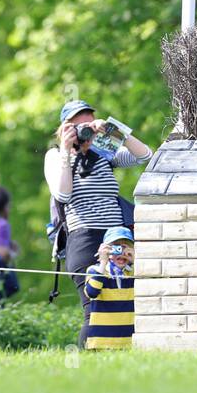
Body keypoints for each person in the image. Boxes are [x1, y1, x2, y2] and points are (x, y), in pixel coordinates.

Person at [43, 98, 151, 347]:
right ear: (65, 128)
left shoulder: (103, 150)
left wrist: (113, 131)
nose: (85, 131)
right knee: (94, 306)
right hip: (84, 239)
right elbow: (62, 195)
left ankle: (121, 361)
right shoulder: (55, 156)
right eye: (78, 126)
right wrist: (65, 149)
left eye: (88, 124)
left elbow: (144, 155)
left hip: (117, 236)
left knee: (123, 302)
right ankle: (89, 362)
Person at [83, 226, 135, 350]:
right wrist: (103, 262)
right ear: (105, 249)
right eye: (115, 247)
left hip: (129, 340)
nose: (121, 252)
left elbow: (150, 285)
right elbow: (92, 292)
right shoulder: (95, 270)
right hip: (101, 340)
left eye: (125, 247)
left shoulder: (135, 272)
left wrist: (135, 260)